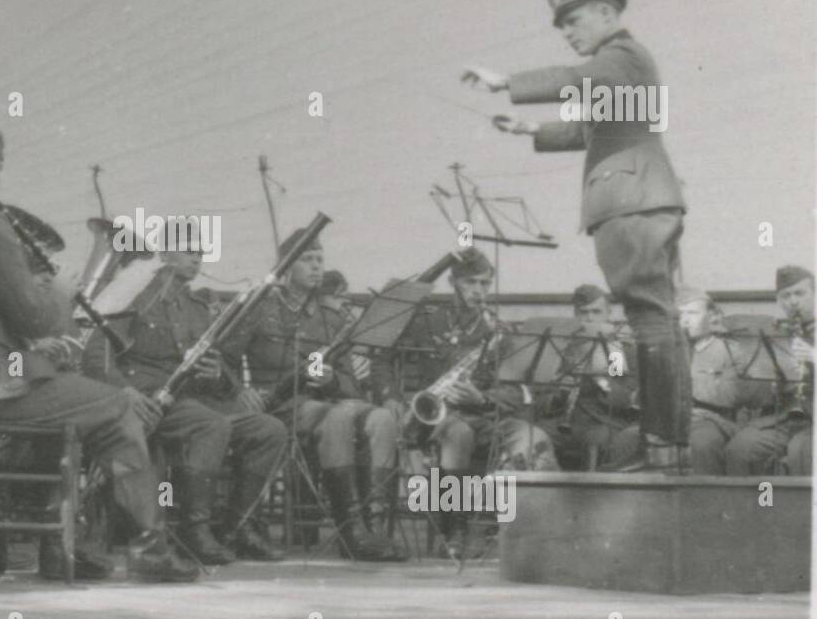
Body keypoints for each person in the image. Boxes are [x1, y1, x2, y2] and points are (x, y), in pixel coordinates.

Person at [0, 119, 197, 582]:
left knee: (67, 403)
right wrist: (59, 290)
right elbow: (31, 315)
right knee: (116, 408)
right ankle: (147, 550)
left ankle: (49, 548)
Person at [464, 0, 691, 459]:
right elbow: (594, 128)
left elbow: (574, 78)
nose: (568, 32)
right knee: (659, 319)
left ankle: (662, 444)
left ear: (608, 14)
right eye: (563, 25)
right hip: (647, 198)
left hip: (629, 201)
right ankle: (669, 443)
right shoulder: (622, 69)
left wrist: (507, 82)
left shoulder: (621, 55)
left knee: (649, 320)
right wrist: (531, 129)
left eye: (575, 20)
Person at [82, 235, 286, 564]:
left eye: (201, 252)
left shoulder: (199, 308)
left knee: (269, 429)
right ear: (165, 254)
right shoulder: (136, 296)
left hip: (192, 402)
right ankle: (196, 530)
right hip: (149, 400)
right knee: (210, 425)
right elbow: (96, 354)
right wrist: (124, 392)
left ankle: (236, 528)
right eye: (189, 251)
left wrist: (216, 372)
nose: (197, 258)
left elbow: (225, 382)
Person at [221, 229, 406, 561]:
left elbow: (349, 383)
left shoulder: (331, 318)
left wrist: (331, 378)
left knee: (381, 416)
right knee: (339, 417)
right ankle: (349, 529)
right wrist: (241, 390)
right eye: (307, 259)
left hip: (325, 404)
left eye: (320, 259)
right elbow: (223, 359)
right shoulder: (260, 309)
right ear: (286, 266)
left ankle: (372, 526)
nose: (316, 266)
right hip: (279, 408)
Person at [397, 248, 558, 556]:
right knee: (459, 434)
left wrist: (482, 398)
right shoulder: (428, 323)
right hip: (438, 419)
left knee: (534, 438)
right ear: (453, 282)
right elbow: (385, 359)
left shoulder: (498, 331)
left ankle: (534, 530)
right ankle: (454, 529)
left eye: (485, 284)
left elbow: (515, 391)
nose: (479, 291)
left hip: (484, 414)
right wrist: (393, 398)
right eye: (471, 283)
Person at [725, 266, 814, 476]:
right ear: (779, 301)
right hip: (786, 416)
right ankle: (751, 508)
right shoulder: (777, 334)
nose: (793, 301)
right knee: (741, 448)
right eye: (785, 296)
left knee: (803, 452)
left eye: (800, 294)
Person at [546, 284, 640, 470]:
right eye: (583, 312)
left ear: (608, 313)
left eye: (596, 312)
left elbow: (622, 399)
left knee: (596, 440)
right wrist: (559, 392)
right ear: (575, 313)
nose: (589, 318)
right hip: (566, 421)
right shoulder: (564, 345)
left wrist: (600, 379)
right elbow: (544, 396)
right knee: (536, 435)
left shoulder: (615, 348)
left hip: (603, 421)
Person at [676, 286, 766, 474]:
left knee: (701, 443)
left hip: (713, 421)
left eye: (692, 313)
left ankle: (709, 501)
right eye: (680, 314)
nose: (684, 320)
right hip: (671, 418)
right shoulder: (668, 351)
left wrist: (685, 385)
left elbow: (731, 396)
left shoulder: (730, 351)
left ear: (712, 317)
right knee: (627, 439)